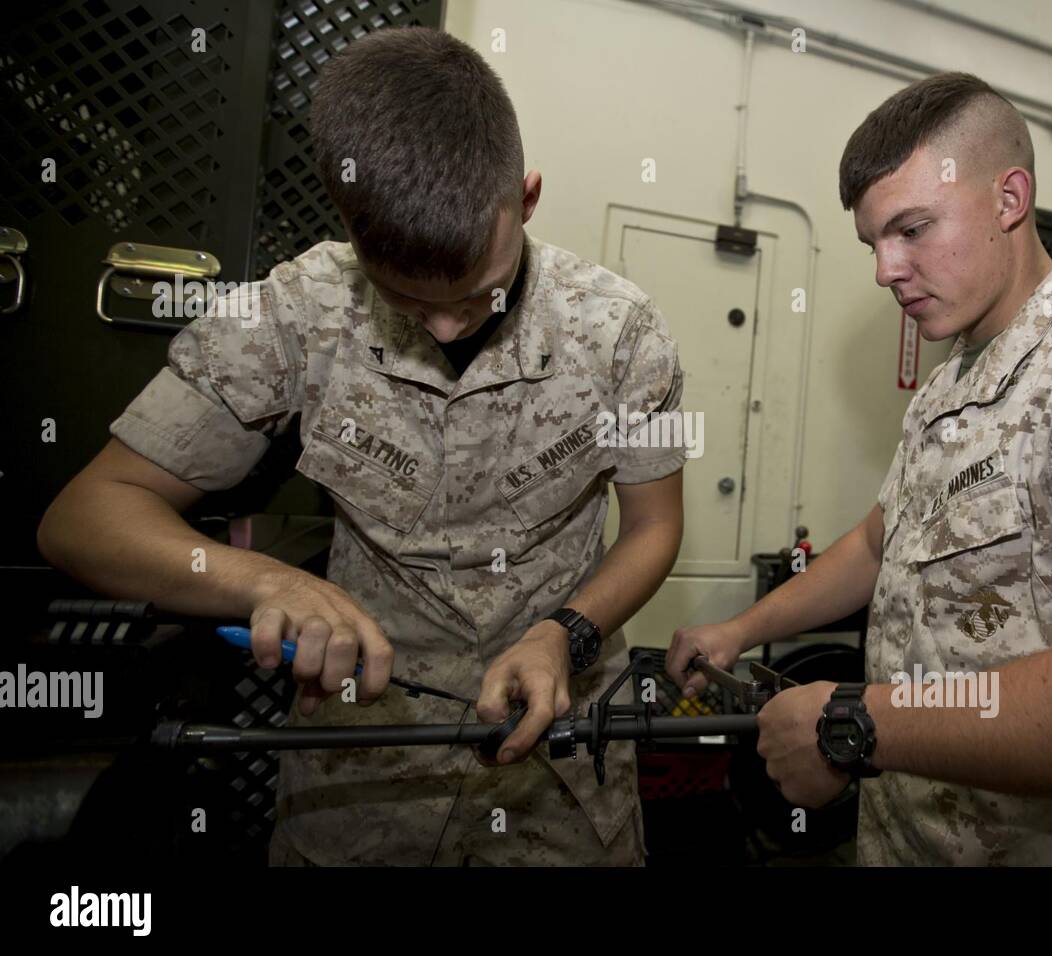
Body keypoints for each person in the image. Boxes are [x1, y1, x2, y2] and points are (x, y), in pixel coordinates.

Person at [38, 27, 687, 866]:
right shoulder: (291, 312)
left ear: (525, 199)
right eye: (409, 301)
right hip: (364, 772)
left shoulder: (630, 333)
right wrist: (266, 583)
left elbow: (654, 528)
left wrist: (565, 633)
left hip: (558, 777)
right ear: (348, 222)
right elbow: (83, 518)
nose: (450, 325)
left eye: (478, 294)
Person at [668, 72, 1052, 865]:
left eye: (912, 229)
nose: (886, 269)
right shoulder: (950, 386)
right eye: (873, 242)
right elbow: (878, 546)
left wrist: (852, 724)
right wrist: (739, 630)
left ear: (1009, 199)